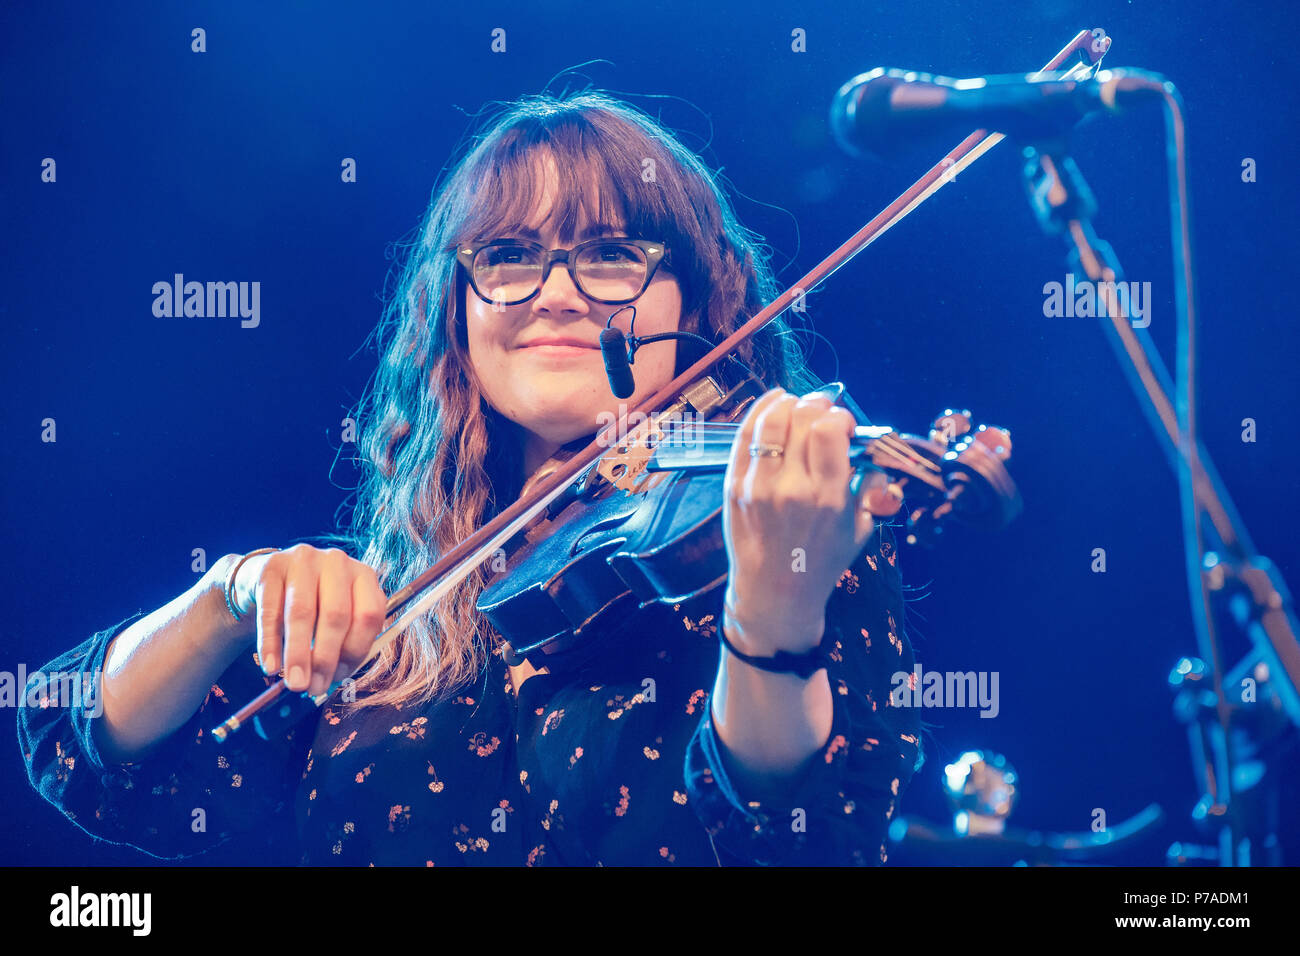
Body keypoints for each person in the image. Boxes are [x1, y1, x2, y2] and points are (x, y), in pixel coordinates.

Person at [19, 91, 923, 866]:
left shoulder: (775, 538)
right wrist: (229, 595)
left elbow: (793, 829)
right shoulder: (377, 607)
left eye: (612, 253)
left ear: (697, 297)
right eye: (509, 256)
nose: (557, 293)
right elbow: (81, 747)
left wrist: (769, 610)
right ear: (458, 314)